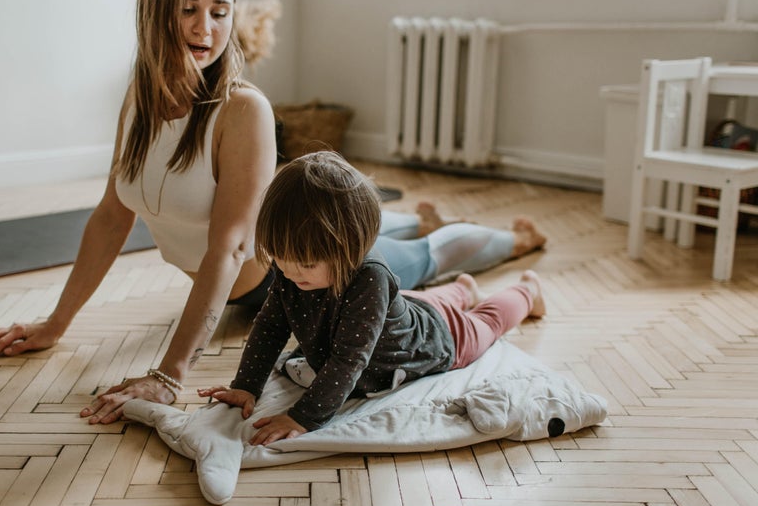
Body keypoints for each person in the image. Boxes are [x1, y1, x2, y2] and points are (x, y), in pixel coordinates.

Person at [0, 0, 544, 425]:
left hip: (309, 274)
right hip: (273, 275)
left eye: (220, 11)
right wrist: (56, 323)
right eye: (188, 8)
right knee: (406, 249)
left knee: (421, 257)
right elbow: (109, 217)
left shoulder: (241, 109)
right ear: (154, 10)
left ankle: (513, 244)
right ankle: (427, 241)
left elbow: (229, 247)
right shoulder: (139, 101)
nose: (206, 28)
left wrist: (170, 375)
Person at [199, 151, 545, 444]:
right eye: (280, 260)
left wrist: (303, 417)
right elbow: (271, 325)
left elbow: (349, 360)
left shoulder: (370, 278)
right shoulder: (294, 269)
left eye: (304, 264)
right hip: (406, 308)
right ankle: (463, 288)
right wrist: (246, 385)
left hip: (438, 338)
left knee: (487, 321)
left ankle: (527, 291)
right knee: (425, 302)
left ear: (350, 248)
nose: (289, 273)